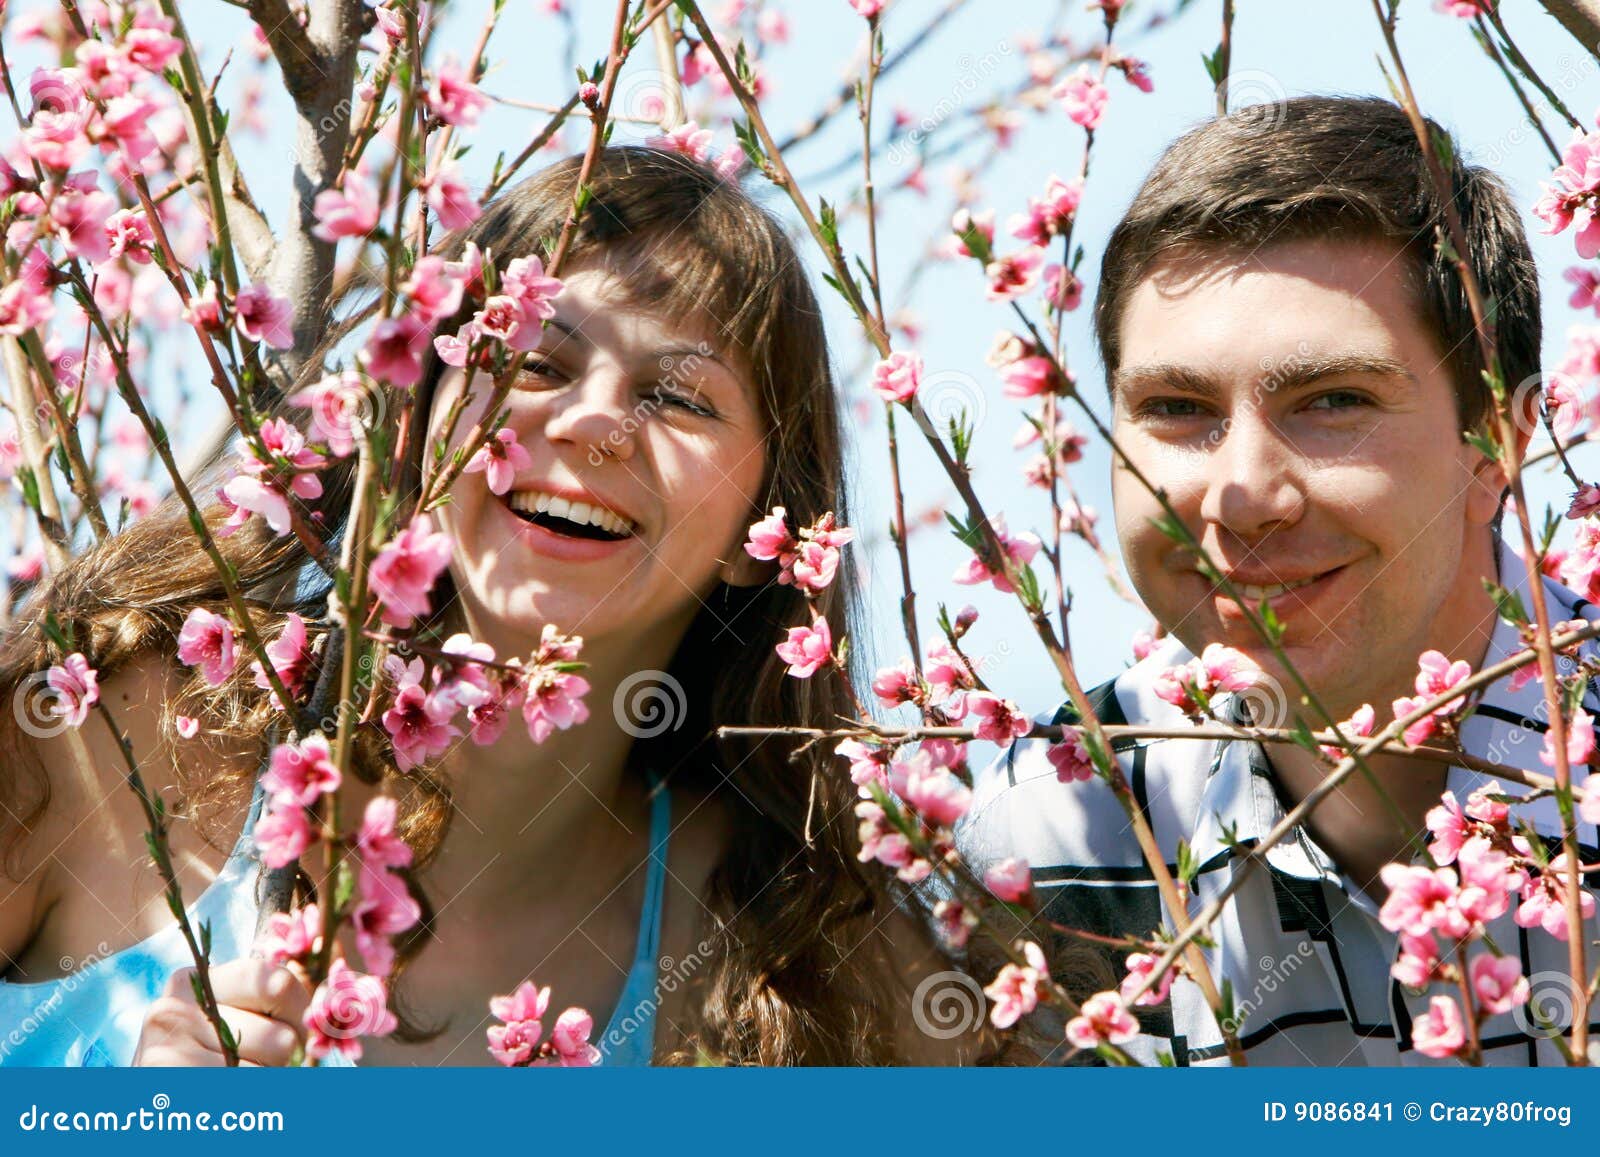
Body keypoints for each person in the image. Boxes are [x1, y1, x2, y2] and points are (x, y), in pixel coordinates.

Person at [0, 146, 974, 1067]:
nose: (595, 419)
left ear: (764, 537)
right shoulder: (125, 726)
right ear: (417, 420)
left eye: (678, 399)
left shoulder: (796, 927)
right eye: (535, 364)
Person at [961, 95, 1600, 1065]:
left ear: (1498, 444)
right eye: (1176, 408)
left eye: (1330, 400)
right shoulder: (1048, 836)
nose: (1244, 495)